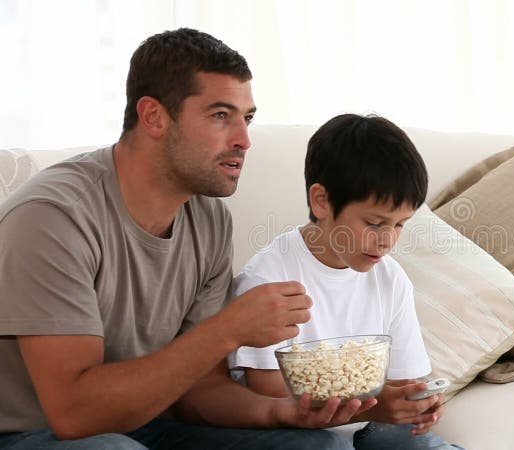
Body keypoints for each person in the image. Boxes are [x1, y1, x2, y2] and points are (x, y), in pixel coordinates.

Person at [0, 28, 374, 450]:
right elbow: (74, 414)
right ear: (154, 116)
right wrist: (227, 330)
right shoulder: (54, 217)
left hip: (149, 426)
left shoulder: (209, 219)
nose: (244, 140)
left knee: (320, 447)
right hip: (35, 434)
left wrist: (282, 412)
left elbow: (200, 392)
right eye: (220, 116)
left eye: (246, 118)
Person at [228, 113, 463, 449]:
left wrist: (413, 403)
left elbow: (402, 381)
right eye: (375, 223)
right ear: (321, 201)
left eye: (399, 225)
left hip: (366, 430)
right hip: (289, 431)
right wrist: (374, 405)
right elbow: (267, 388)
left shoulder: (390, 278)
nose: (388, 241)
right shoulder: (270, 276)